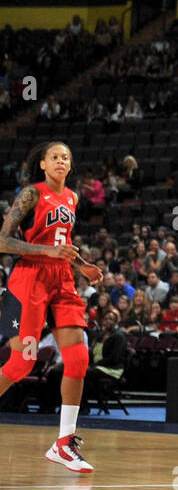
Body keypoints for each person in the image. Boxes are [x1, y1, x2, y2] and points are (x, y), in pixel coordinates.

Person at [0, 142, 102, 472]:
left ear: (70, 167)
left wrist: (82, 264)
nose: (61, 161)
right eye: (55, 157)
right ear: (43, 164)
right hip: (29, 279)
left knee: (78, 357)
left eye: (66, 158)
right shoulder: (32, 193)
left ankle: (63, 443)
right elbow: (3, 241)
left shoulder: (72, 198)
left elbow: (61, 246)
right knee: (20, 365)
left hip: (62, 280)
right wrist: (47, 254)